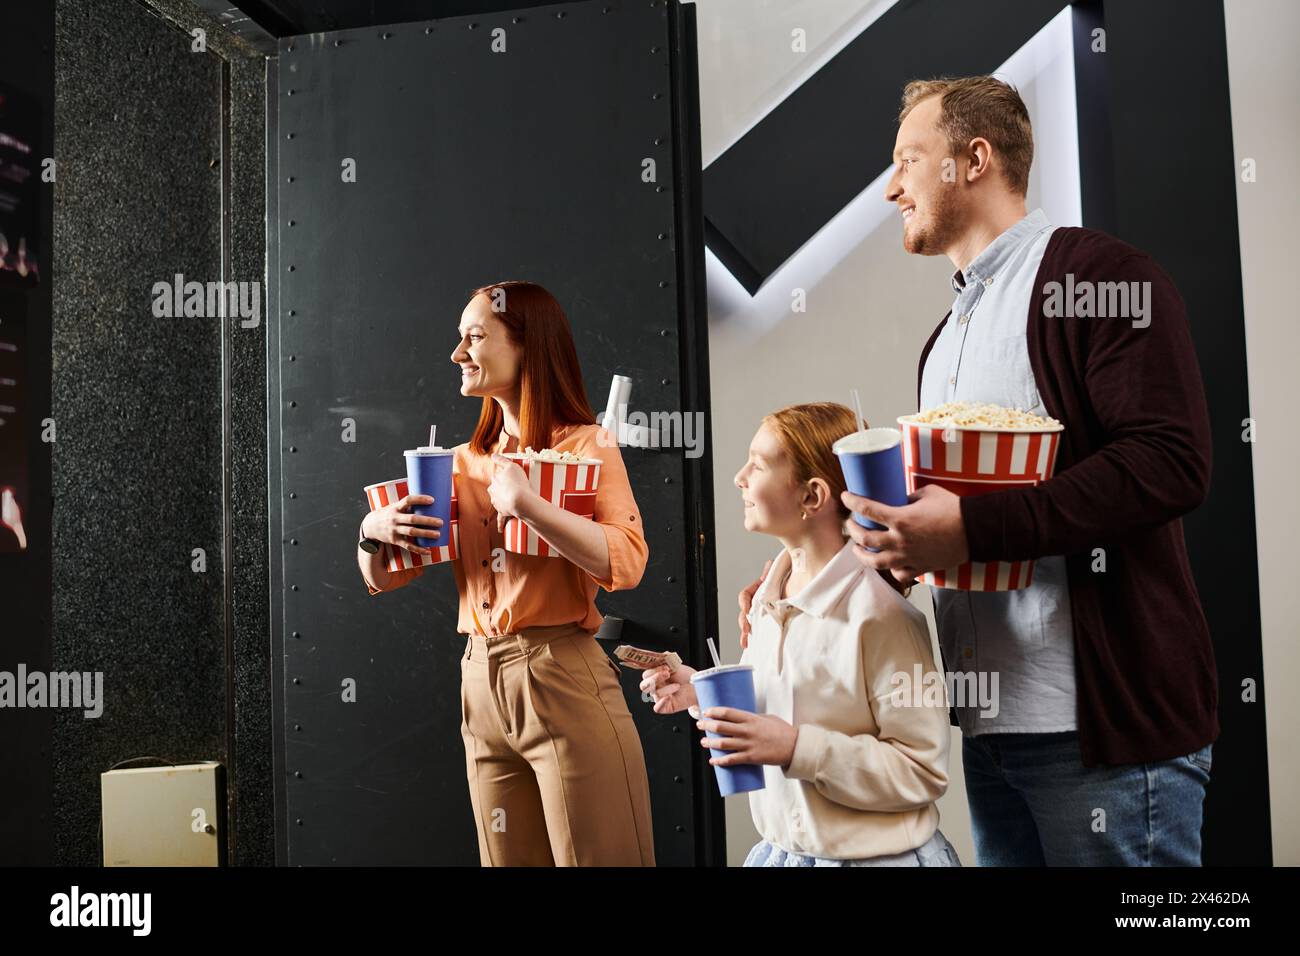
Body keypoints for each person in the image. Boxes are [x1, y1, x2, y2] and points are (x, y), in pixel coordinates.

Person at [741, 77, 1217, 866]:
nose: (891, 186)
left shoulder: (1095, 277)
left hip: (1105, 737)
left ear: (974, 159)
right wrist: (816, 578)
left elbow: (1170, 463)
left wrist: (968, 528)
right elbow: (951, 540)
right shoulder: (946, 340)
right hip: (993, 737)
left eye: (908, 160)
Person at [358, 280, 655, 866]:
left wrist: (530, 506)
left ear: (528, 349)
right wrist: (374, 535)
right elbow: (386, 577)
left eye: (474, 337)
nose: (457, 354)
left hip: (561, 673)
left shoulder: (588, 446)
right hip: (479, 681)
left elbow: (628, 561)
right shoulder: (461, 463)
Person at [645, 402, 959, 867]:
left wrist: (796, 749)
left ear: (812, 497)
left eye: (759, 463)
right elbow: (785, 703)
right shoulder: (765, 603)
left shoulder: (883, 618)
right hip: (781, 856)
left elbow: (921, 771)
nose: (739, 477)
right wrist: (700, 691)